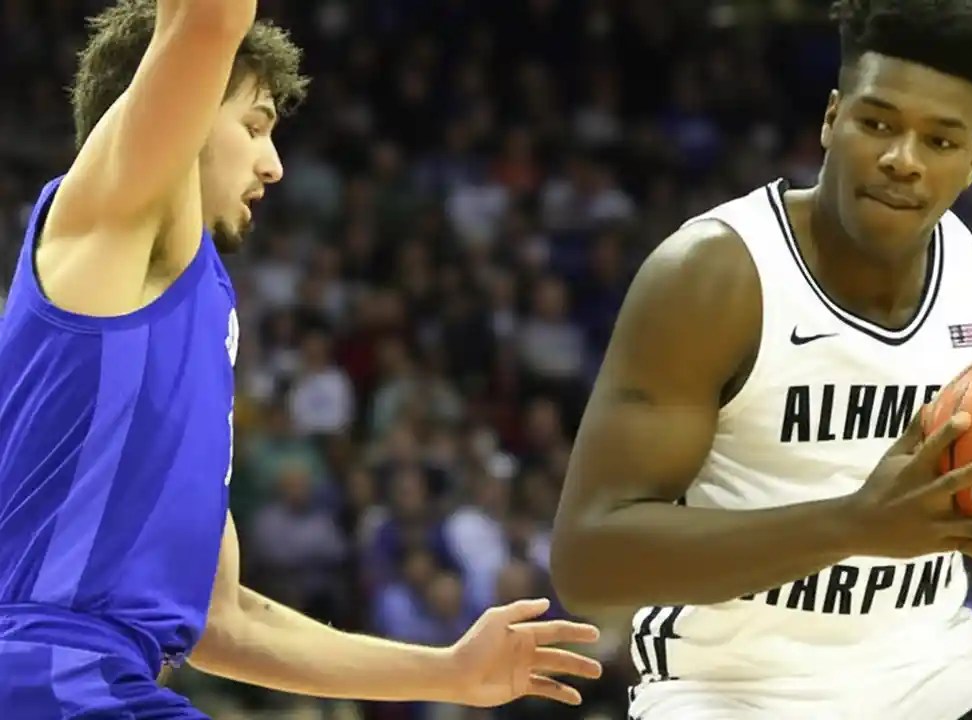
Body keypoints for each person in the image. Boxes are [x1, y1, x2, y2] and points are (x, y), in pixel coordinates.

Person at [550, 1, 972, 718]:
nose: (902, 160)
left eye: (940, 141)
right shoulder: (717, 276)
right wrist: (852, 525)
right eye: (878, 124)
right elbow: (588, 564)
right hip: (728, 692)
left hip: (940, 681)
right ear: (830, 118)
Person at [0, 1, 600, 717]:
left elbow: (225, 622)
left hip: (91, 681)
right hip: (48, 673)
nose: (274, 164)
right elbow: (204, 19)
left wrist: (450, 674)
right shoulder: (115, 214)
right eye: (253, 126)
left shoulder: (188, 328)